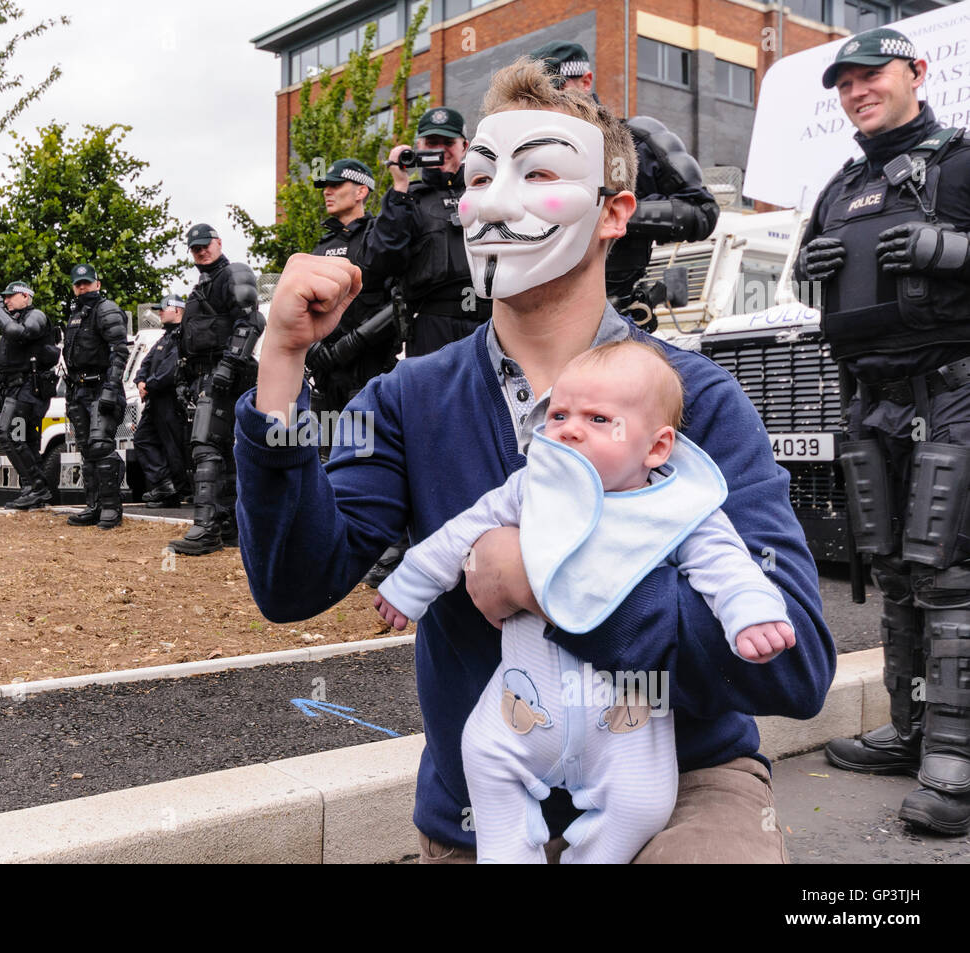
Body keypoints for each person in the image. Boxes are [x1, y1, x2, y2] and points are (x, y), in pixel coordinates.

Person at [234, 61, 834, 863]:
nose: (498, 200)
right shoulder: (407, 398)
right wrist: (280, 366)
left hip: (682, 784)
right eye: (481, 176)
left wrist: (549, 579)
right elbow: (292, 584)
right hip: (485, 800)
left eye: (540, 172)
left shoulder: (698, 400)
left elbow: (791, 666)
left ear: (614, 212)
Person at [375, 340, 795, 862]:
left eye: (599, 419)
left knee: (643, 801)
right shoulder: (531, 489)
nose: (570, 428)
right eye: (559, 414)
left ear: (657, 448)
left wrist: (751, 612)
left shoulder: (678, 509)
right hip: (520, 706)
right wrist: (409, 586)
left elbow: (726, 566)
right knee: (482, 757)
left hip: (624, 719)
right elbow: (460, 533)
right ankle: (508, 854)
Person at [801, 28, 970, 836]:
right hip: (869, 399)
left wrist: (948, 246)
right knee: (894, 570)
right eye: (845, 83)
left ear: (916, 72)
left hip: (950, 390)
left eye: (872, 76)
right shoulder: (838, 186)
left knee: (950, 575)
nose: (857, 91)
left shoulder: (962, 161)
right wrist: (816, 268)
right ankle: (908, 731)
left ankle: (955, 759)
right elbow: (816, 285)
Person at [530, 41, 719, 324]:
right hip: (541, 317)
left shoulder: (637, 139)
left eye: (557, 89)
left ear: (585, 82)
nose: (549, 102)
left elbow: (702, 212)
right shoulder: (523, 154)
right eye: (538, 96)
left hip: (617, 315)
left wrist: (614, 213)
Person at [366, 108, 492, 358]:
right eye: (432, 143)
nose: (441, 149)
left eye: (449, 143)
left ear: (464, 146)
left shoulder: (486, 190)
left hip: (490, 320)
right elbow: (381, 260)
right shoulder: (406, 199)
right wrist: (400, 186)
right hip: (432, 325)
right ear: (418, 146)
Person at [168, 225, 264, 556]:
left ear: (219, 243)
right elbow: (188, 341)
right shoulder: (200, 289)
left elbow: (252, 321)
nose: (200, 251)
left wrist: (228, 365)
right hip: (204, 376)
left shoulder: (232, 274)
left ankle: (206, 527)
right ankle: (228, 526)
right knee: (222, 452)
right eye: (194, 248)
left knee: (205, 446)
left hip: (226, 374)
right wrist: (182, 378)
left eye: (205, 245)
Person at [306, 159, 399, 460]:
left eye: (335, 185)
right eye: (325, 187)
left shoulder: (378, 238)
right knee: (327, 456)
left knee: (365, 454)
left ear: (361, 191)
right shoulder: (320, 246)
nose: (327, 192)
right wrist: (314, 347)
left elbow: (398, 300)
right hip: (327, 371)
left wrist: (354, 342)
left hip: (368, 367)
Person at [60, 264, 130, 529]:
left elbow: (119, 351)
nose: (82, 288)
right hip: (78, 390)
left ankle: (112, 508)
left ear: (97, 284)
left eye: (87, 283)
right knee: (87, 451)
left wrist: (112, 388)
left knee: (101, 446)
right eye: (78, 284)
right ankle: (95, 506)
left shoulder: (106, 309)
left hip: (102, 387)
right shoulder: (76, 315)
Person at [0, 281, 59, 510]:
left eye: (11, 296)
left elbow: (18, 333)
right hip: (15, 389)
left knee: (11, 434)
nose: (6, 300)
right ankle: (32, 489)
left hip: (29, 391)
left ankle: (37, 488)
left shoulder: (35, 316)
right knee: (25, 440)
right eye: (4, 298)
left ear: (26, 297)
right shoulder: (15, 320)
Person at [133, 294, 190, 507]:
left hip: (171, 400)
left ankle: (174, 491)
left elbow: (171, 370)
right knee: (143, 439)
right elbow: (145, 364)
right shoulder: (164, 338)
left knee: (172, 447)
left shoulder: (183, 336)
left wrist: (149, 384)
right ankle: (164, 486)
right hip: (155, 401)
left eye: (163, 308)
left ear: (176, 310)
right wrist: (140, 380)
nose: (159, 312)